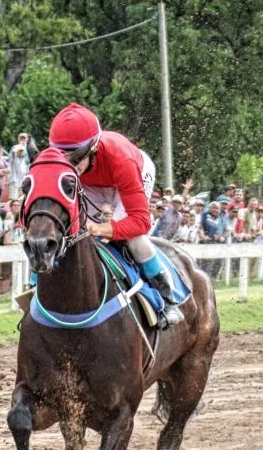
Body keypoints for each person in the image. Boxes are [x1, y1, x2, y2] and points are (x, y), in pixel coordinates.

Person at [48, 102, 183, 326]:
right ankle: (36, 285)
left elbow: (140, 222)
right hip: (91, 183)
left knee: (132, 238)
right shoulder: (64, 163)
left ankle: (167, 299)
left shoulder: (122, 159)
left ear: (92, 148)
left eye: (75, 157)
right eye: (63, 156)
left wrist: (102, 228)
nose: (69, 164)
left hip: (130, 173)